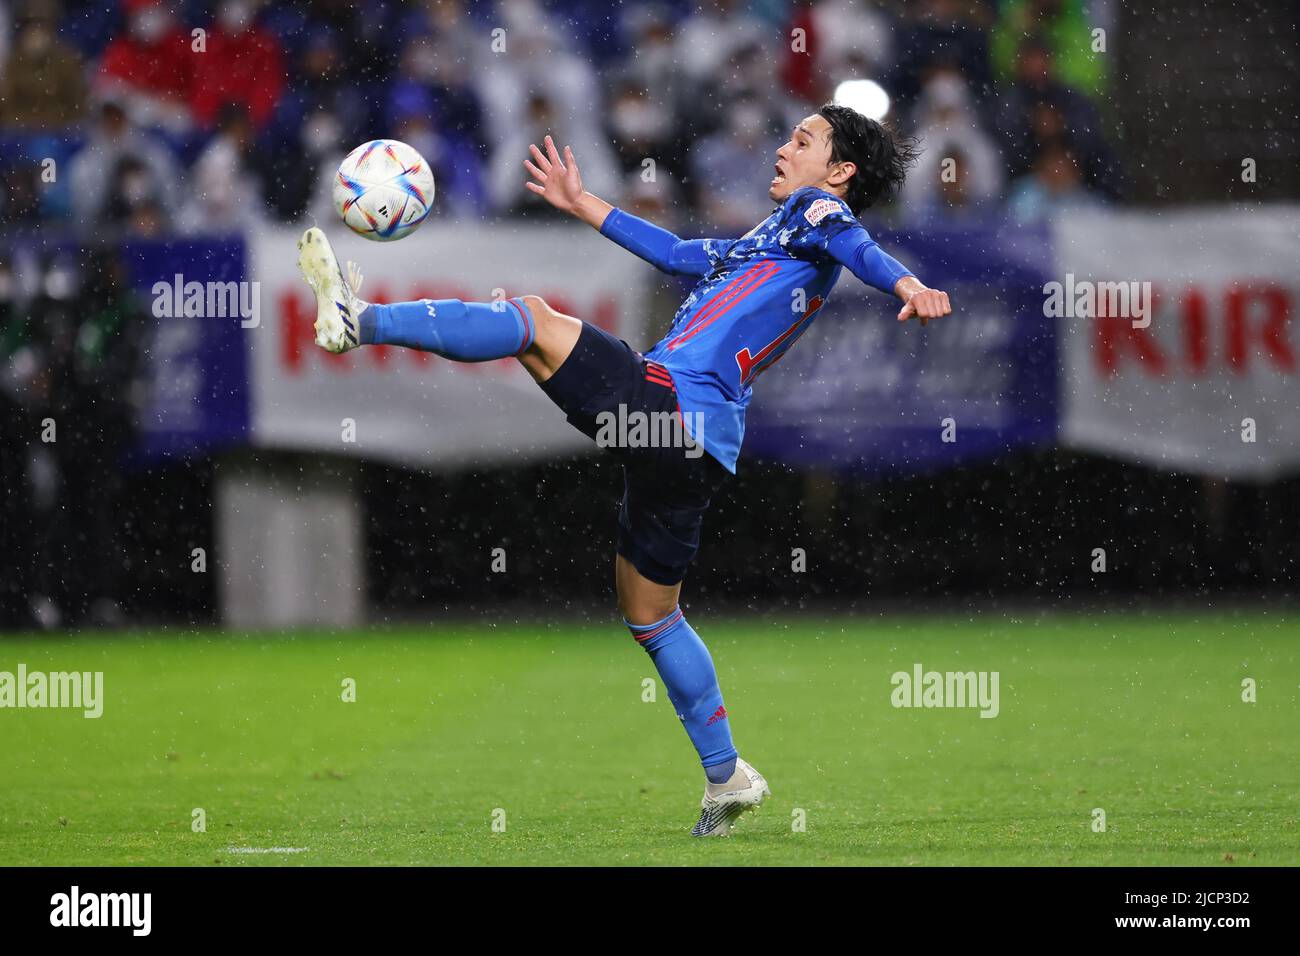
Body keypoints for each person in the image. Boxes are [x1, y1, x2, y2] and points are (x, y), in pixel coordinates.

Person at [295, 103, 952, 837]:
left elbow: (861, 247)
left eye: (803, 140)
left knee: (535, 320)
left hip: (672, 413)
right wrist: (585, 204)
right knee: (653, 613)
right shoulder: (773, 238)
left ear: (839, 171)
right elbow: (674, 253)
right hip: (693, 449)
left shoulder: (820, 211)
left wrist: (905, 286)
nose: (781, 146)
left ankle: (362, 322)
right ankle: (727, 776)